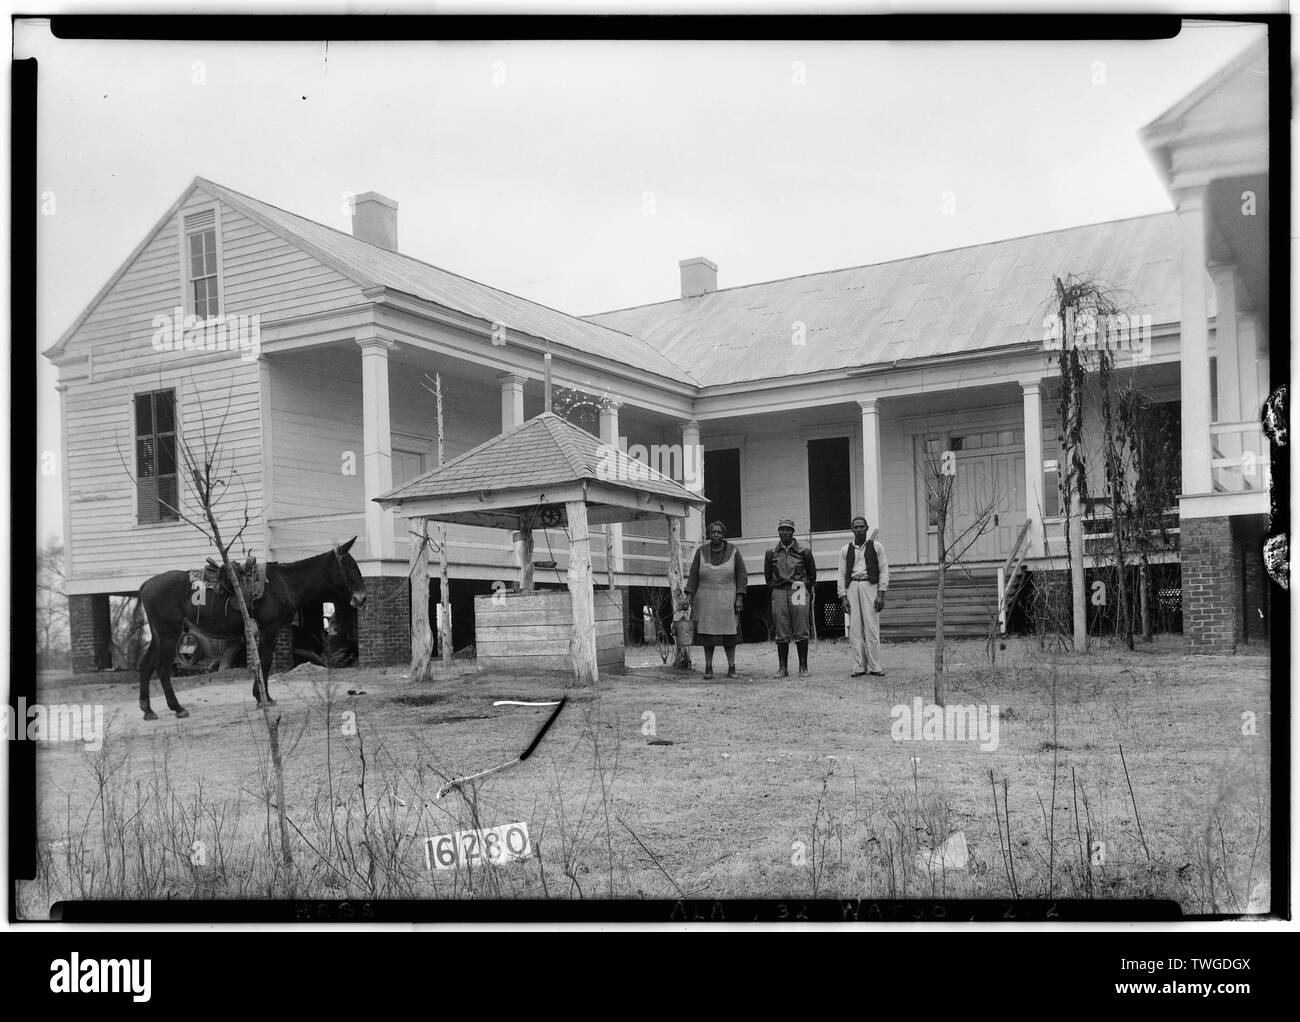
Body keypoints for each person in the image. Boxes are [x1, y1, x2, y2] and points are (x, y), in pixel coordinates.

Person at [685, 520, 747, 679]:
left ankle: (732, 667)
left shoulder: (734, 551)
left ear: (723, 534)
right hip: (706, 601)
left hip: (727, 600)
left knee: (730, 636)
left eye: (719, 532)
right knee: (708, 636)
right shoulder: (701, 552)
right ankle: (708, 667)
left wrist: (739, 598)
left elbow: (741, 575)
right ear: (709, 534)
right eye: (713, 532)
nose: (716, 535)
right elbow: (693, 576)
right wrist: (688, 598)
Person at [763, 517, 817, 677]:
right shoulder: (771, 553)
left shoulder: (803, 551)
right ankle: (782, 667)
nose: (785, 532)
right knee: (781, 628)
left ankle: (803, 667)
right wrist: (774, 588)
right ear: (778, 532)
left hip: (798, 588)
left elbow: (812, 574)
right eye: (782, 529)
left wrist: (806, 586)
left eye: (788, 529)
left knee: (801, 626)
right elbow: (767, 576)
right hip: (779, 590)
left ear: (793, 532)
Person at [838, 515, 889, 677]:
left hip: (870, 585)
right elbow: (841, 574)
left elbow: (884, 570)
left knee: (871, 627)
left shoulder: (877, 547)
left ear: (867, 529)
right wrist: (843, 596)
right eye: (856, 527)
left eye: (862, 526)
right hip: (852, 585)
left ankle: (875, 666)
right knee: (855, 629)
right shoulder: (846, 550)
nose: (859, 529)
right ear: (852, 529)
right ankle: (859, 666)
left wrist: (881, 593)